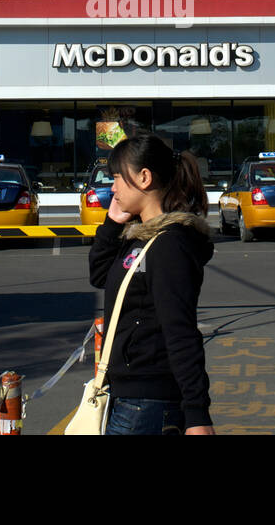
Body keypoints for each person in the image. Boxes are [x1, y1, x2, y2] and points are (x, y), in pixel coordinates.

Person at [88, 133, 215, 436]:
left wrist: (197, 414)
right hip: (129, 396)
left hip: (149, 402)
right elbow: (101, 275)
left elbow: (181, 330)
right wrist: (111, 224)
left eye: (118, 177)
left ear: (144, 178)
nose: (113, 187)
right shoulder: (141, 238)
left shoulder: (169, 245)